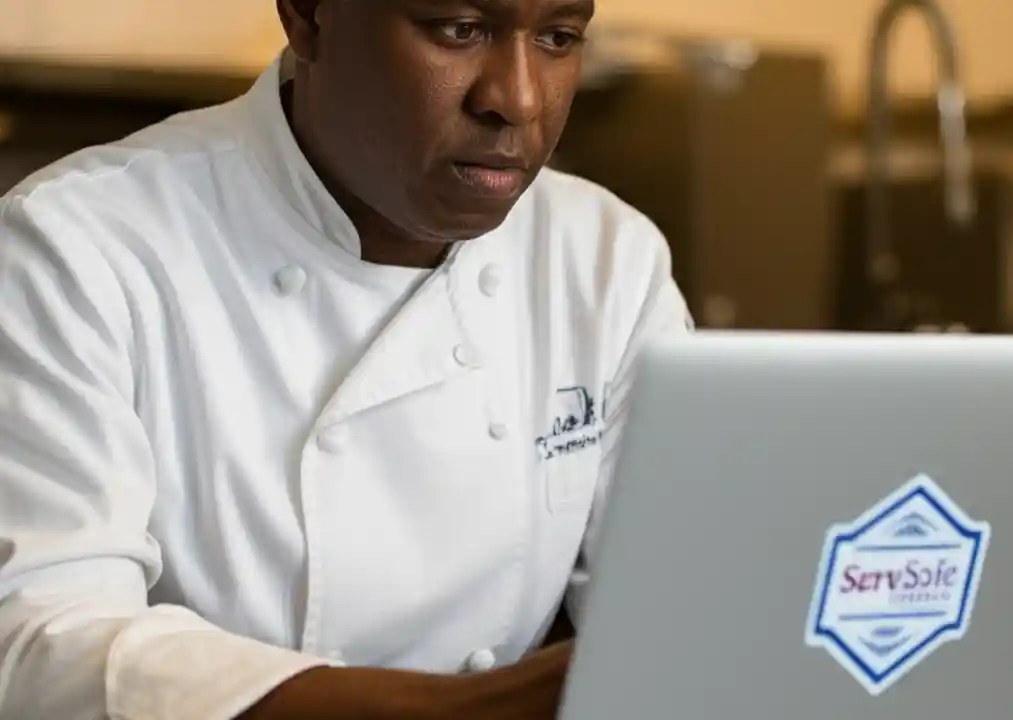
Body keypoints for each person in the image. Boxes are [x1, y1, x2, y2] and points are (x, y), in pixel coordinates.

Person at [0, 0, 691, 717]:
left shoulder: (604, 260)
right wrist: (468, 711)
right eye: (459, 29)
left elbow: (690, 602)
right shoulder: (80, 247)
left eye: (557, 38)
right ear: (307, 17)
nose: (515, 99)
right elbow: (45, 648)